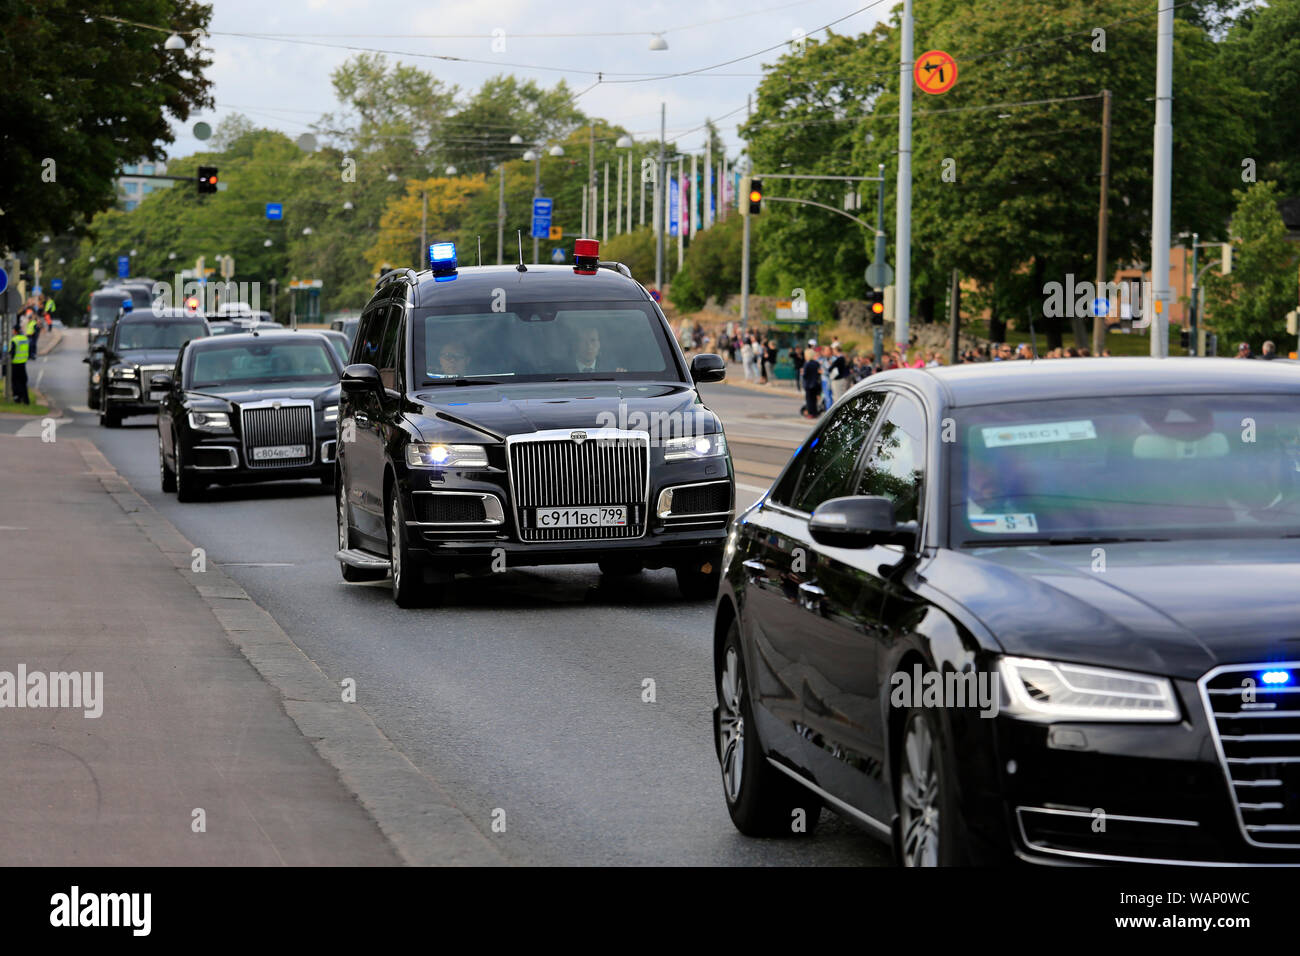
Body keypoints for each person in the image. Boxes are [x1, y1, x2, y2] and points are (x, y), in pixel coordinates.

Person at [9, 321, 30, 404]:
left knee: (15, 382)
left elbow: (12, 353)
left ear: (15, 331)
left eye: (13, 330)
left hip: (15, 364)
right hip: (23, 363)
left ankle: (17, 398)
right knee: (23, 382)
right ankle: (26, 400)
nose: (12, 331)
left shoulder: (14, 340)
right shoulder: (25, 338)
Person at [800, 347, 822, 419]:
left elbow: (805, 374)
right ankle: (815, 413)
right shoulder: (816, 363)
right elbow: (819, 373)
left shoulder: (807, 364)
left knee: (809, 400)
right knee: (814, 400)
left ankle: (811, 413)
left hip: (808, 384)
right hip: (815, 383)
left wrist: (802, 373)